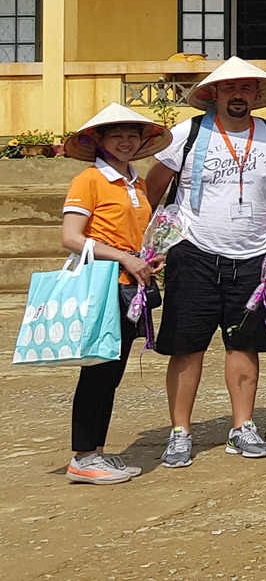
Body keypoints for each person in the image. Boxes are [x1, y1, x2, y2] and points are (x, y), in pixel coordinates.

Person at [143, 57, 266, 468]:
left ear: (256, 96)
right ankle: (180, 432)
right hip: (193, 253)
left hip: (251, 258)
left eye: (246, 89)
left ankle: (241, 427)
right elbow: (151, 191)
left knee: (244, 344)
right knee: (186, 346)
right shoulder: (187, 134)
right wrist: (148, 248)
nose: (239, 95)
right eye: (230, 89)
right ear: (213, 94)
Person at [59, 105, 168, 484]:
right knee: (98, 373)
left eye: (132, 134)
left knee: (111, 372)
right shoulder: (89, 180)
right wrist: (124, 256)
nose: (125, 141)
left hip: (128, 287)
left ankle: (95, 452)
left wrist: (148, 259)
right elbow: (71, 237)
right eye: (116, 134)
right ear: (99, 141)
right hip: (104, 288)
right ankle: (85, 456)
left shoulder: (135, 182)